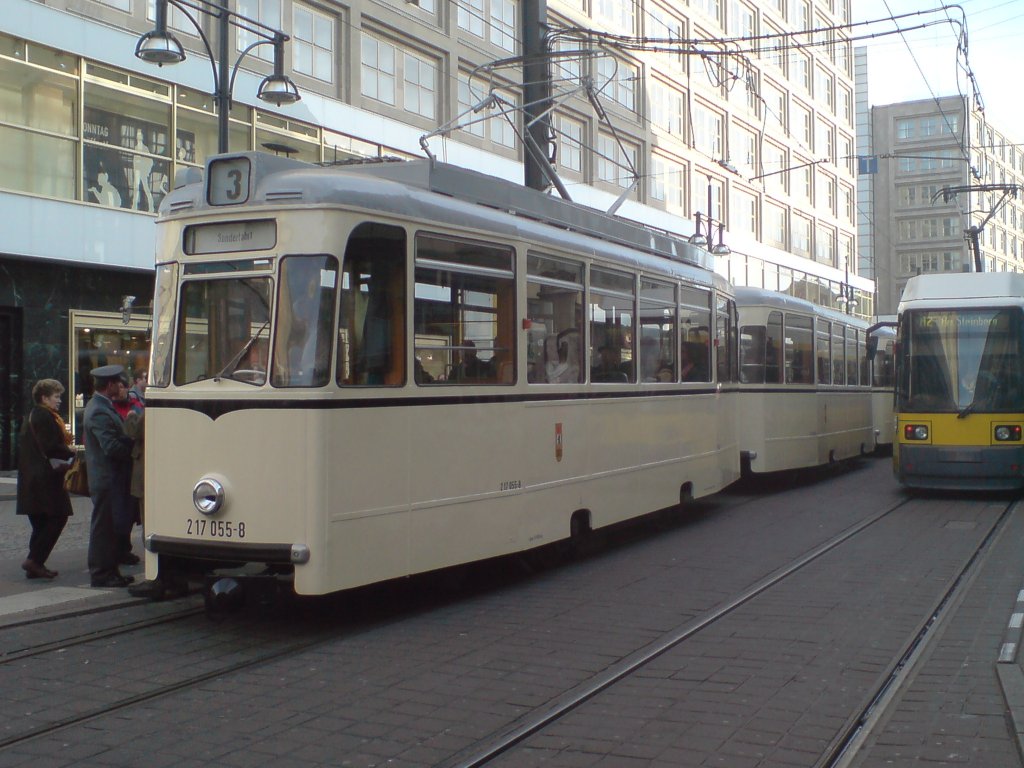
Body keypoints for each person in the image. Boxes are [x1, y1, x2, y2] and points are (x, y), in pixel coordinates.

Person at [16, 379, 75, 580]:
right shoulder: (45, 416)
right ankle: (34, 561)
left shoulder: (33, 415)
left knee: (41, 522)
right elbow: (50, 446)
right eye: (56, 396)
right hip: (45, 479)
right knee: (58, 517)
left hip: (32, 478)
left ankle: (35, 565)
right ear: (44, 398)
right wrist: (70, 450)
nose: (59, 400)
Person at [83, 365, 136, 588]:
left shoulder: (103, 405)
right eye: (119, 383)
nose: (122, 386)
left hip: (111, 479)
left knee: (112, 527)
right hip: (107, 479)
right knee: (104, 529)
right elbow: (111, 446)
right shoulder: (99, 410)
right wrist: (134, 452)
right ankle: (101, 573)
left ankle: (111, 571)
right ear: (110, 385)